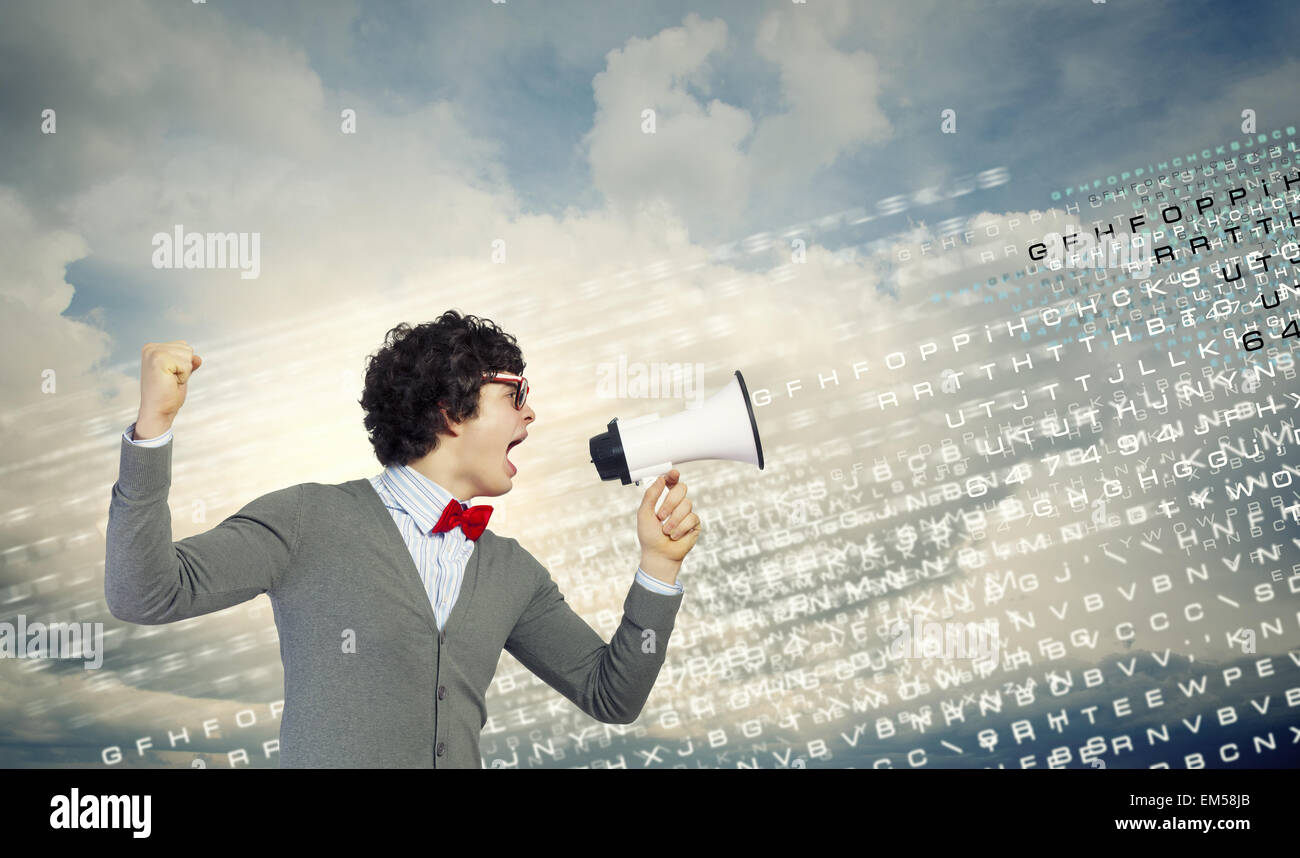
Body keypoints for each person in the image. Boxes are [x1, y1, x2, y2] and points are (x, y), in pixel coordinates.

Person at [105, 310, 701, 767]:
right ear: (451, 412)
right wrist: (152, 428)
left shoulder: (514, 572)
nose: (531, 415)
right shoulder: (305, 518)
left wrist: (658, 567)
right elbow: (144, 594)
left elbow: (612, 696)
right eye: (515, 394)